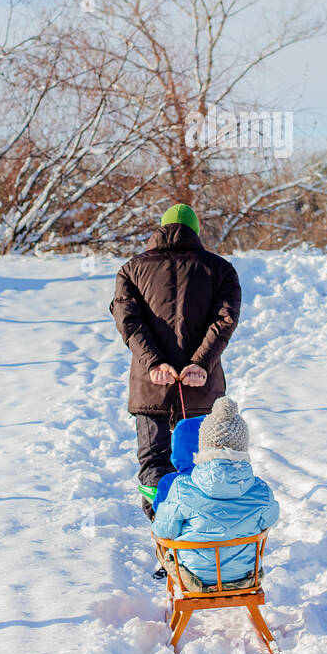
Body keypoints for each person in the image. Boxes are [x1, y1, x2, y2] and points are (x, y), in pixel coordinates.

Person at [110, 202, 242, 520]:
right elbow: (224, 320)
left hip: (150, 390)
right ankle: (199, 548)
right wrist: (200, 363)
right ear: (195, 232)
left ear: (160, 228)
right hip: (202, 390)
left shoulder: (131, 269)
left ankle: (167, 547)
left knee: (156, 467)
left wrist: (154, 363)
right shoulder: (220, 269)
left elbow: (129, 322)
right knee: (206, 467)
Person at [152, 395, 279, 590]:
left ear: (203, 445)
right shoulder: (260, 490)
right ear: (243, 446)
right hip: (245, 576)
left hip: (194, 578)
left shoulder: (182, 488)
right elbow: (268, 521)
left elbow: (164, 531)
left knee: (163, 541)